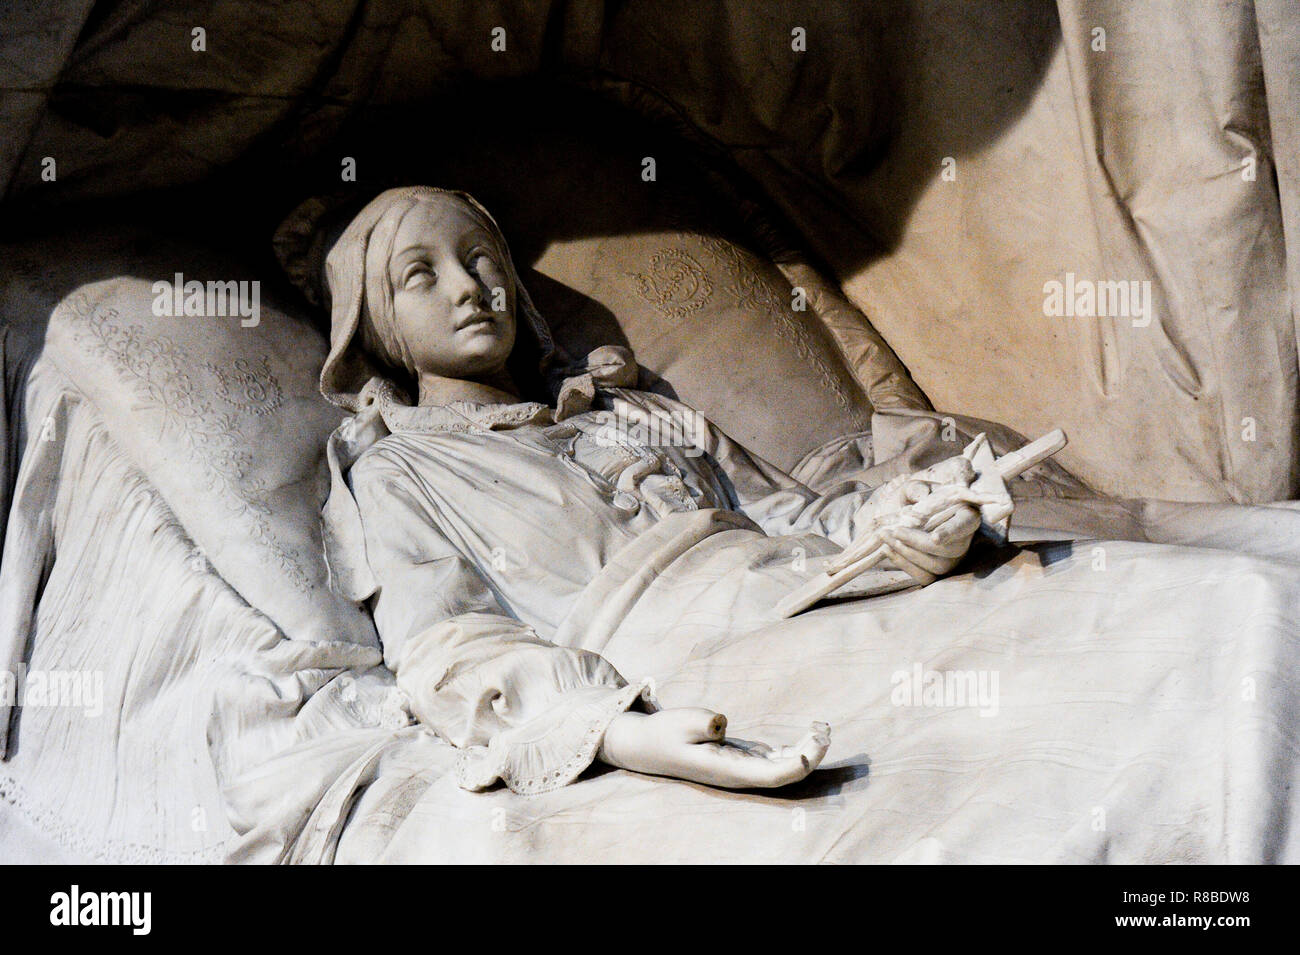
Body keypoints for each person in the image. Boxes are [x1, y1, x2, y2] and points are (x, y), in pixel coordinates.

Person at [318, 186, 987, 795]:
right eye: (419, 275)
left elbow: (787, 513)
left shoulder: (632, 412)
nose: (468, 288)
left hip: (810, 591)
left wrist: (897, 517)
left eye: (481, 258)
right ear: (380, 323)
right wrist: (615, 729)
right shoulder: (398, 474)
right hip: (688, 671)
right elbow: (448, 646)